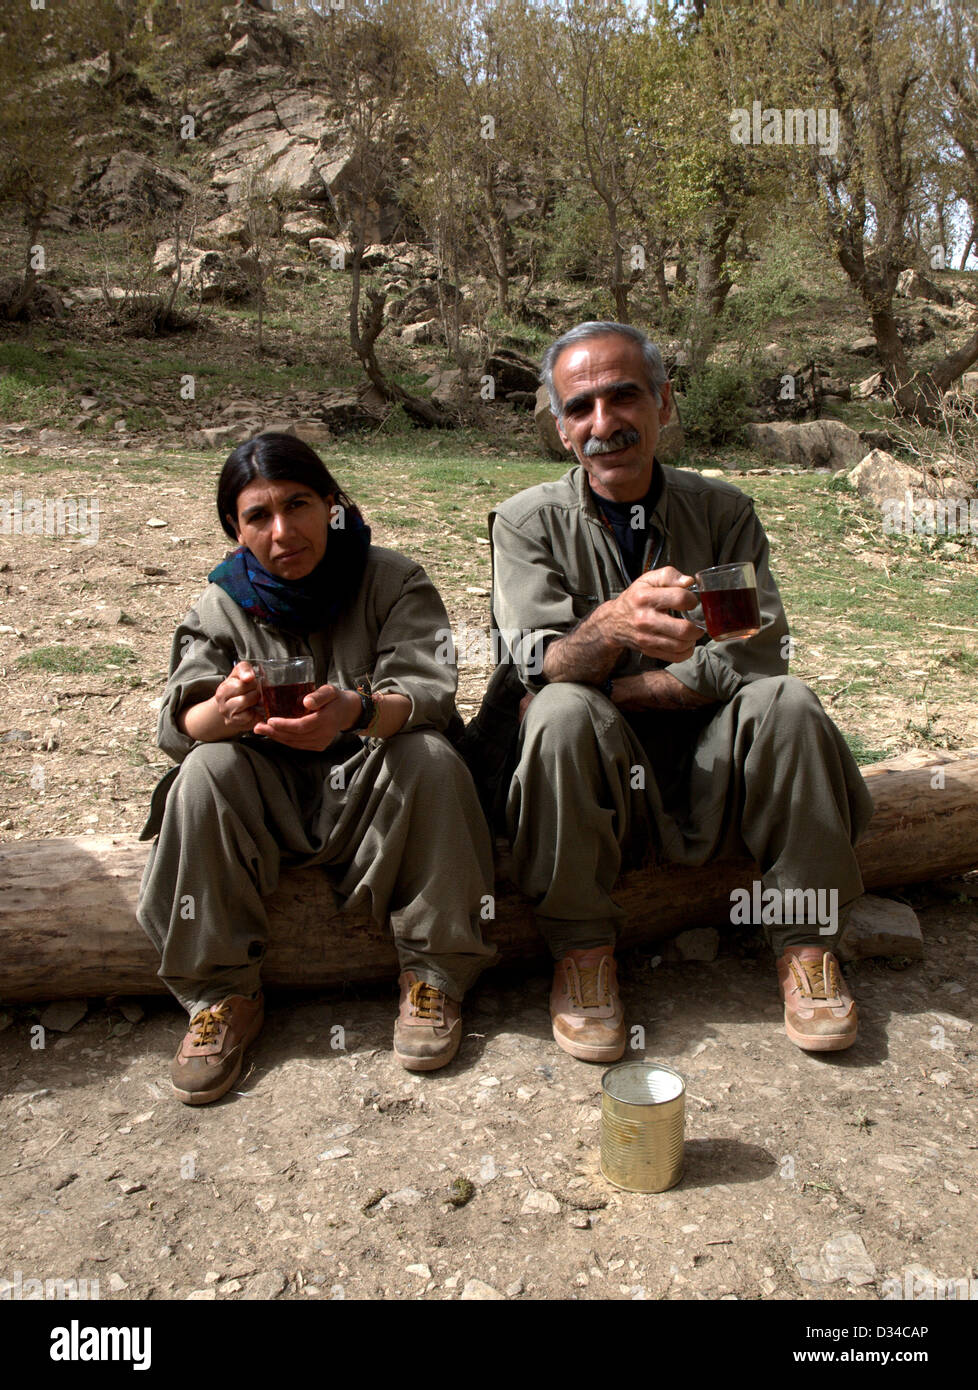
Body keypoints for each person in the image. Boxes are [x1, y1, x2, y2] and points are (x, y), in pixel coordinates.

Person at [462, 322, 874, 1063]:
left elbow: (760, 653)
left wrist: (635, 686)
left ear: (663, 404)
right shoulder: (526, 523)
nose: (604, 423)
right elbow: (539, 662)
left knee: (790, 704)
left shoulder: (722, 514)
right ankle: (582, 952)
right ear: (561, 430)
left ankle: (807, 943)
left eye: (624, 397)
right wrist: (615, 621)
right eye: (580, 407)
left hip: (713, 770)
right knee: (559, 712)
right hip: (593, 779)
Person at [137, 432, 496, 1104]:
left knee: (432, 755)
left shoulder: (394, 581)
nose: (282, 531)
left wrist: (357, 712)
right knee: (204, 771)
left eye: (298, 505)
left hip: (371, 788)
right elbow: (180, 726)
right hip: (264, 801)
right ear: (234, 529)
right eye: (257, 517)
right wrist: (221, 710)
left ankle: (435, 974)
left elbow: (429, 695)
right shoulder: (221, 604)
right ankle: (221, 996)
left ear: (332, 504)